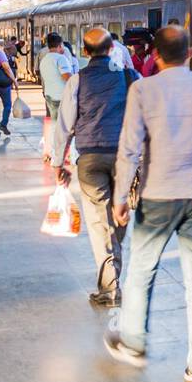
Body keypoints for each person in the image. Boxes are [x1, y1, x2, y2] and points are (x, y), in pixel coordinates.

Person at [103, 25, 192, 382]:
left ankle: (133, 342)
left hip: (157, 198)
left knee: (141, 272)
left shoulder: (142, 89)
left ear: (155, 56)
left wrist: (120, 197)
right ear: (190, 55)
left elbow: (130, 149)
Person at [48, 29, 141, 308]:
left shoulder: (77, 81)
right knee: (118, 218)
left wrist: (58, 163)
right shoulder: (130, 77)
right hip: (124, 157)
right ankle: (113, 278)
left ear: (85, 52)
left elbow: (64, 125)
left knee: (101, 223)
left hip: (90, 159)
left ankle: (110, 288)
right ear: (112, 47)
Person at [38, 32, 74, 120]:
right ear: (60, 45)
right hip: (60, 96)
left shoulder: (45, 59)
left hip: (49, 95)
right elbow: (67, 77)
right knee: (61, 123)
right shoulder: (61, 58)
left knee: (53, 120)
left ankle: (49, 133)